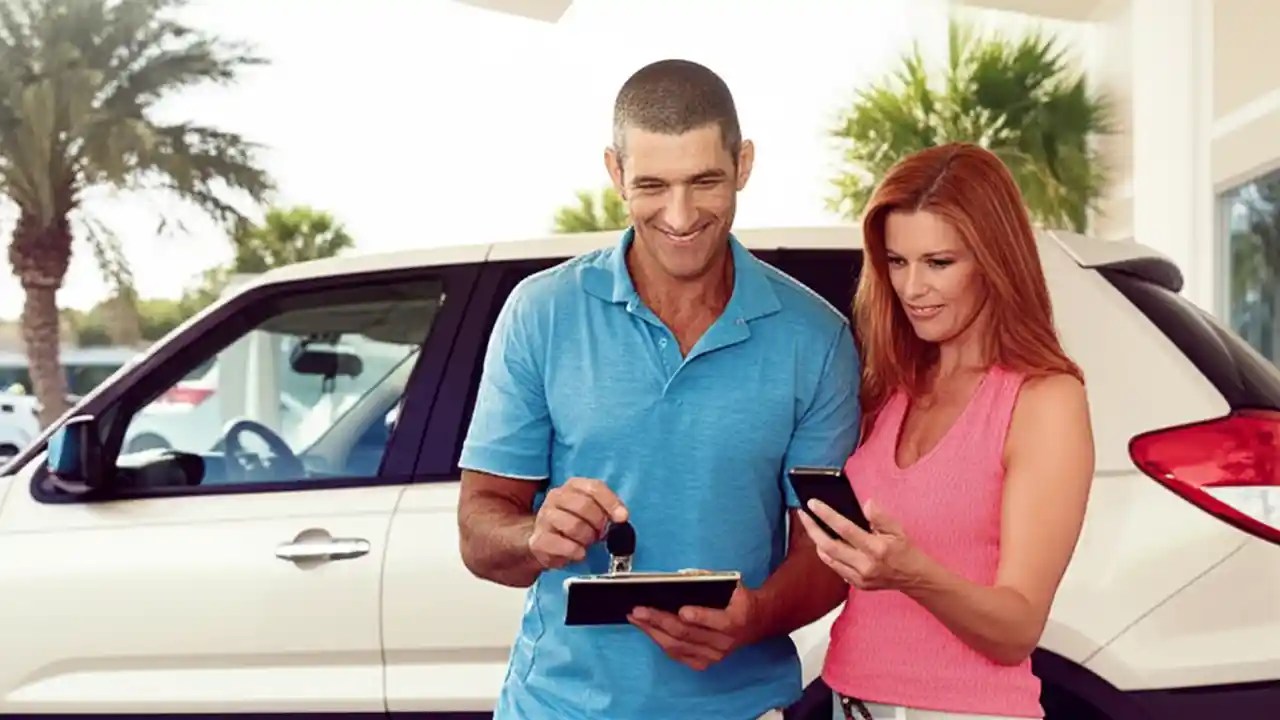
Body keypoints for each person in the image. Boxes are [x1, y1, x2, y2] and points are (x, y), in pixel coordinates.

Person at [455, 59, 861, 720]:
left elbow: (825, 556)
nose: (679, 215)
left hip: (744, 708)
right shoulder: (541, 313)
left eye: (705, 181)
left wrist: (753, 618)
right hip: (558, 707)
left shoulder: (817, 339)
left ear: (745, 164)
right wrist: (533, 535)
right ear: (615, 172)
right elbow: (479, 531)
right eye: (652, 184)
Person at [798, 143, 1095, 720]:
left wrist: (911, 573)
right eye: (897, 261)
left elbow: (1017, 629)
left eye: (938, 263)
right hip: (848, 701)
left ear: (995, 260)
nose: (911, 288)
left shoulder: (1043, 399)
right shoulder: (890, 387)